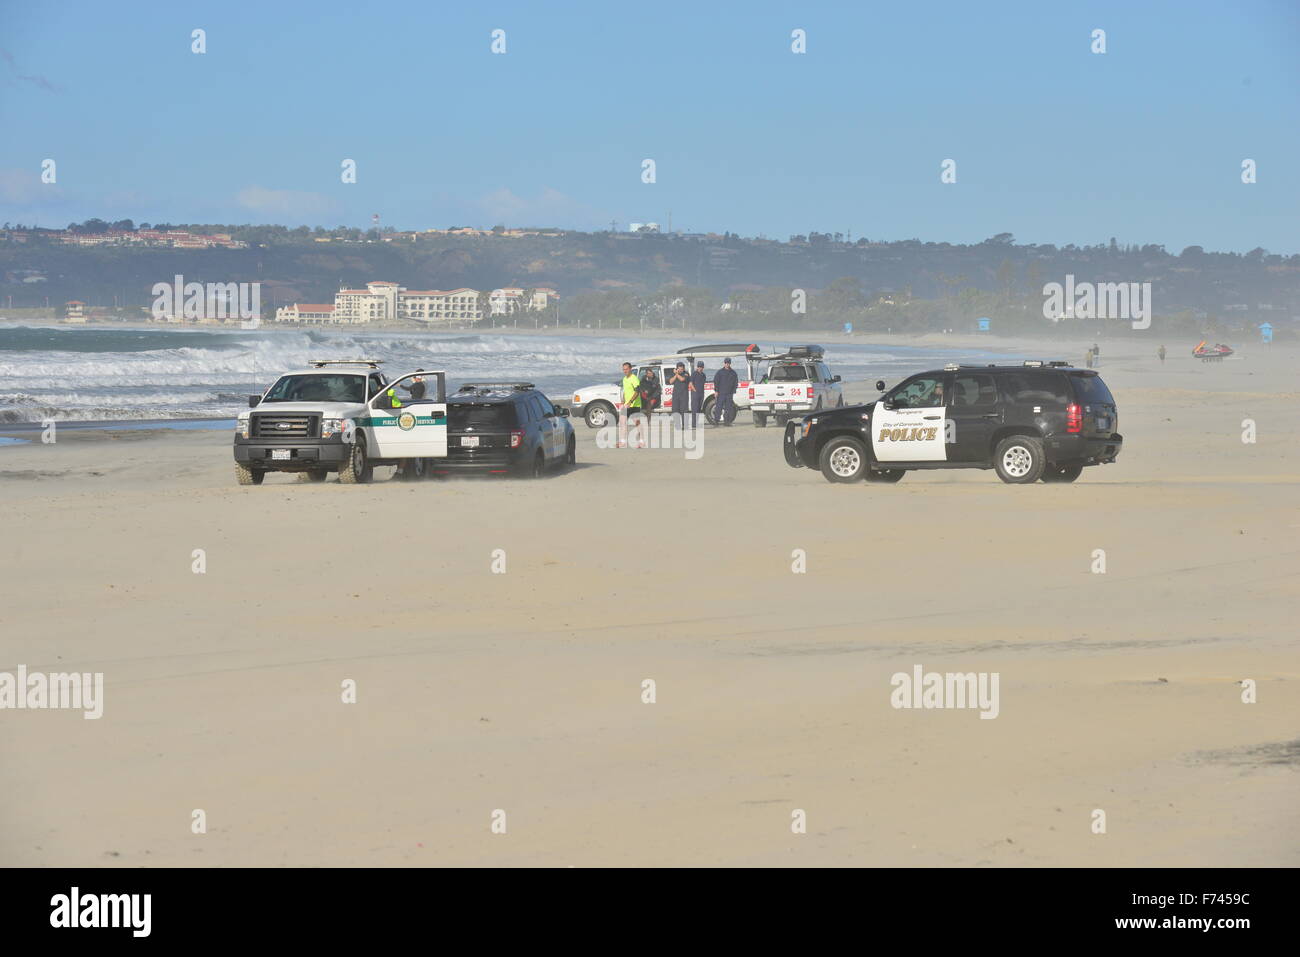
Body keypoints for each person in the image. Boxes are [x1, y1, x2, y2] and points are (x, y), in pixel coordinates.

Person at [620, 362, 641, 448]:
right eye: (623, 369)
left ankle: (641, 442)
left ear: (630, 369)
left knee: (637, 423)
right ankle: (623, 442)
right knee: (623, 423)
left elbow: (637, 391)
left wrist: (630, 401)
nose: (625, 371)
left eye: (626, 369)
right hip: (626, 405)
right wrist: (623, 401)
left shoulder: (634, 378)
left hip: (635, 404)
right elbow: (625, 391)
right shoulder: (624, 379)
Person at [713, 357, 739, 426]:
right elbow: (716, 381)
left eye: (728, 363)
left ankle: (727, 422)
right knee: (719, 407)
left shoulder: (733, 373)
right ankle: (716, 421)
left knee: (728, 408)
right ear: (724, 363)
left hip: (729, 394)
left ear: (730, 364)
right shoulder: (720, 372)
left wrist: (733, 390)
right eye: (726, 363)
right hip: (721, 393)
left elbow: (736, 382)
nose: (727, 364)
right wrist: (716, 391)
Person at [667, 362, 691, 430]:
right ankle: (677, 425)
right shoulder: (675, 374)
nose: (681, 370)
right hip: (676, 395)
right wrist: (676, 374)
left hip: (684, 395)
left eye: (682, 369)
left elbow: (682, 379)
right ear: (677, 368)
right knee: (675, 410)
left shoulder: (686, 374)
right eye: (679, 369)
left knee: (684, 411)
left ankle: (685, 425)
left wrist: (676, 373)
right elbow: (671, 381)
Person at [688, 360, 706, 430]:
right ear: (697, 367)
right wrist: (695, 391)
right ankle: (693, 425)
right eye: (699, 367)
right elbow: (690, 383)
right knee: (694, 409)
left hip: (701, 394)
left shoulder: (703, 375)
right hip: (695, 394)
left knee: (699, 409)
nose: (700, 368)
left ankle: (697, 423)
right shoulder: (694, 374)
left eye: (701, 367)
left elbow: (703, 383)